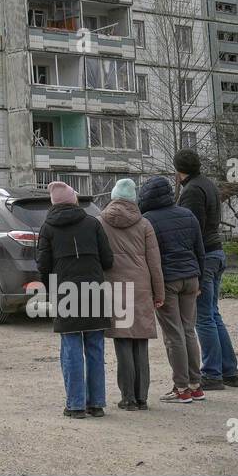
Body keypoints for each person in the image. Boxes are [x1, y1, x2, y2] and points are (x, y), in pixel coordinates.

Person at [37, 181, 114, 419]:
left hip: (65, 291)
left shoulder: (47, 228)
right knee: (95, 346)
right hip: (93, 290)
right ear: (74, 200)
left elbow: (43, 266)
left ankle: (75, 405)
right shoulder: (93, 223)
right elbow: (108, 260)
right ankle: (97, 404)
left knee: (70, 347)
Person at [174, 149, 238, 390]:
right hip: (216, 252)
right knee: (213, 315)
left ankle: (212, 373)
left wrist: (195, 267)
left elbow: (193, 229)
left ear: (178, 170)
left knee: (203, 317)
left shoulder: (192, 190)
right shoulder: (208, 184)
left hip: (205, 256)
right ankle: (230, 372)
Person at [139, 175, 206, 404]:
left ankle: (181, 388)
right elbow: (200, 250)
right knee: (188, 330)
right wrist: (201, 280)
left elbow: (150, 257)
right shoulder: (188, 214)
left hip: (168, 281)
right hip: (191, 277)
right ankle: (196, 385)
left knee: (173, 334)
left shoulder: (147, 219)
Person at [102, 179, 164, 411]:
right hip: (140, 288)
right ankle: (142, 397)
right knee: (141, 343)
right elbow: (154, 263)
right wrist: (159, 292)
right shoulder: (145, 224)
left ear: (114, 196)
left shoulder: (101, 222)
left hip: (115, 287)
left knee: (122, 342)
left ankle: (127, 397)